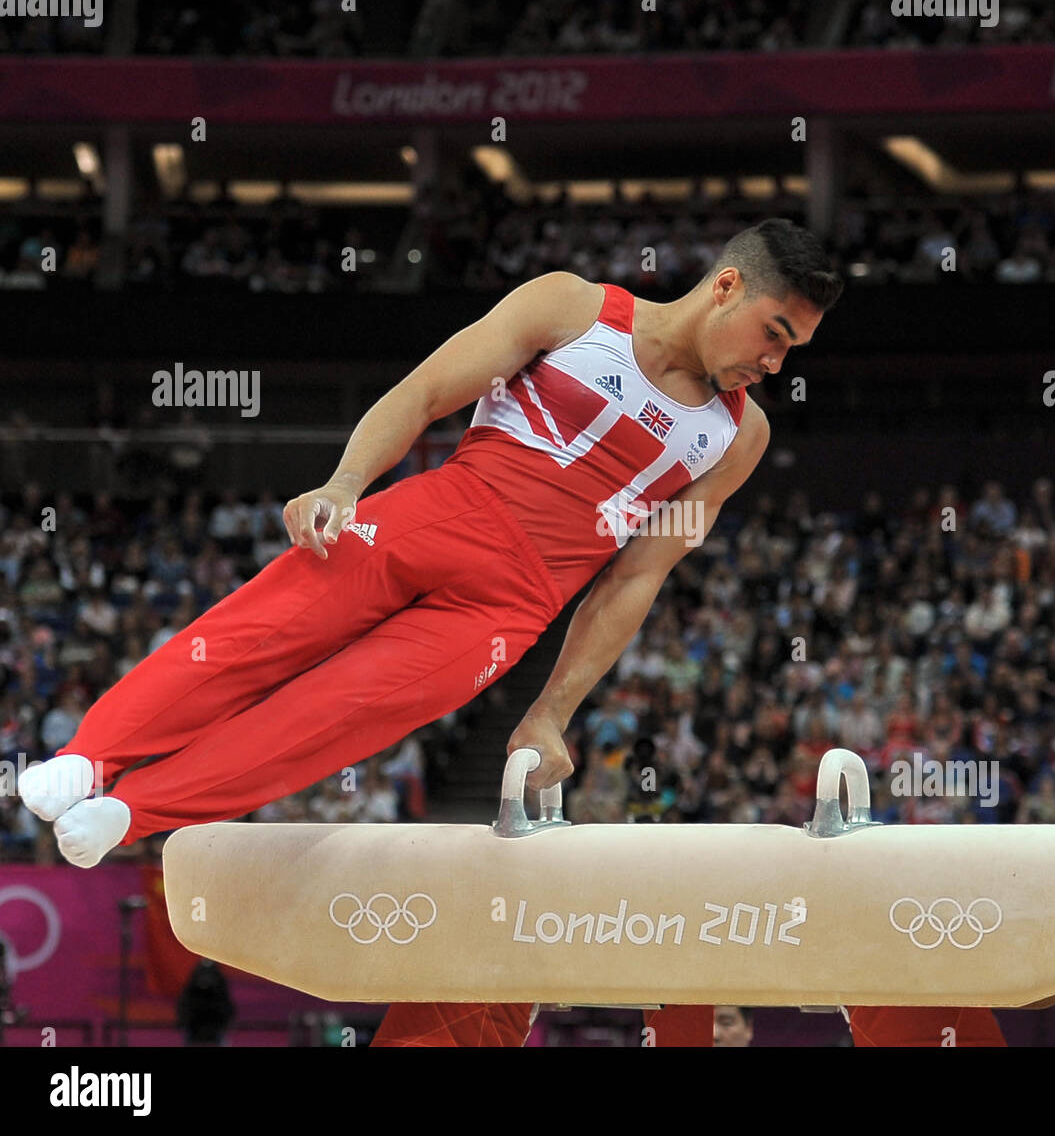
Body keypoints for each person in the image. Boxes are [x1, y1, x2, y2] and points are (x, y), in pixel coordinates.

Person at [20, 219, 1000, 1048]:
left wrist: (548, 713)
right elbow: (426, 390)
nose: (776, 362)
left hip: (507, 609)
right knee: (256, 632)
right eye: (775, 333)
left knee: (331, 720)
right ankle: (92, 753)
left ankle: (134, 810)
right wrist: (345, 485)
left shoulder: (735, 441)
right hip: (438, 509)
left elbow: (638, 574)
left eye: (793, 351)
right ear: (727, 286)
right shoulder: (570, 308)